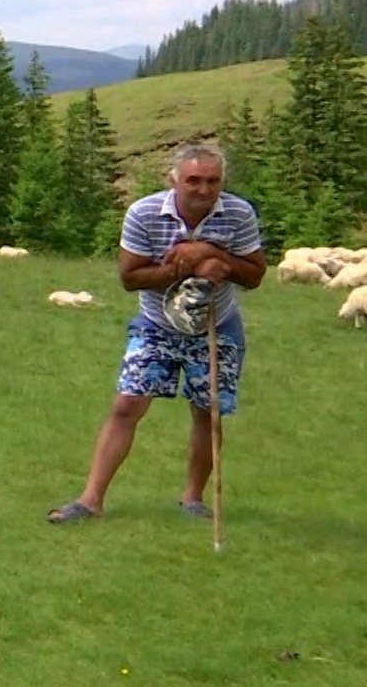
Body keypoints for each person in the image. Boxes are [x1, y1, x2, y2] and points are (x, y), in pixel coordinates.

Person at [47, 141, 268, 524]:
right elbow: (130, 278)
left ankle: (193, 499)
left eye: (212, 181)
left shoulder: (238, 213)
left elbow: (255, 274)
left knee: (207, 412)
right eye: (193, 180)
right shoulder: (144, 212)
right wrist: (188, 266)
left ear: (222, 182)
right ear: (175, 180)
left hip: (217, 325)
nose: (203, 190)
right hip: (157, 324)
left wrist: (215, 255)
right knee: (127, 404)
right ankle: (90, 501)